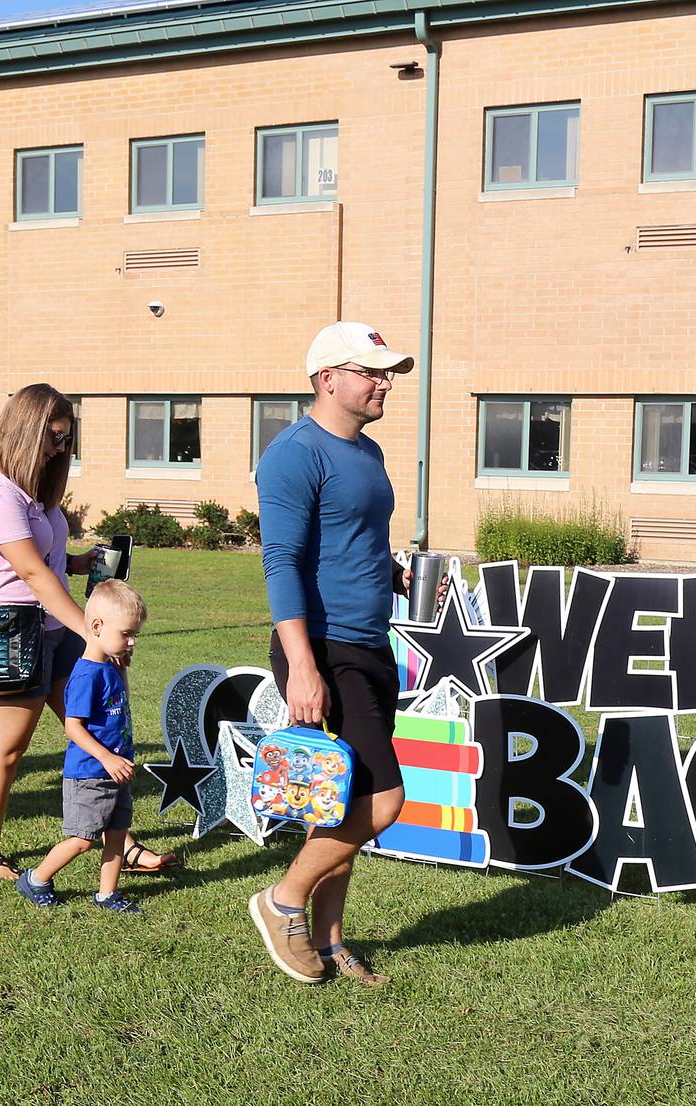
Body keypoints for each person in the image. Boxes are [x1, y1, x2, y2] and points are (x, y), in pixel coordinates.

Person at [250, 321, 417, 987]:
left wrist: (393, 571)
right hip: (322, 646)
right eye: (372, 372)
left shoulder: (368, 454)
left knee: (342, 800)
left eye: (388, 374)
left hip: (370, 641)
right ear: (327, 379)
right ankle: (282, 900)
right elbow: (281, 562)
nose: (385, 384)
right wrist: (303, 667)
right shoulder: (293, 453)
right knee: (382, 800)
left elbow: (352, 542)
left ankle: (327, 938)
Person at [0, 384, 174, 880]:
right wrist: (94, 633)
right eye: (53, 438)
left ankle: (121, 843)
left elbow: (49, 564)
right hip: (13, 632)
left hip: (58, 629)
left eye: (65, 438)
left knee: (99, 733)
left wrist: (84, 562)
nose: (60, 448)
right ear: (26, 430)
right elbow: (32, 575)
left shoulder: (32, 488)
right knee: (8, 749)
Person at [17, 580, 148, 913]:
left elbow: (121, 703)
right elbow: (73, 726)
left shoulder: (110, 667)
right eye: (126, 634)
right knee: (83, 839)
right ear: (97, 627)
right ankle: (36, 878)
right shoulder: (87, 675)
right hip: (90, 773)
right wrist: (106, 757)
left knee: (117, 833)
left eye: (135, 635)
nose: (132, 642)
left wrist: (124, 669)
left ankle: (107, 894)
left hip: (116, 770)